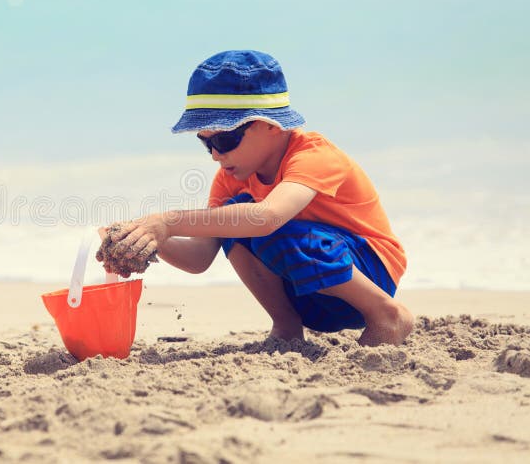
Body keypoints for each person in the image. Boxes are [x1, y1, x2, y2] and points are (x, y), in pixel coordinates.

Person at [99, 50, 414, 346]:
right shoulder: (230, 179)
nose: (215, 155)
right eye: (206, 144)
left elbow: (267, 217)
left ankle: (386, 313)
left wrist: (168, 222)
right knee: (230, 218)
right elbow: (199, 258)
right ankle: (286, 325)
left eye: (225, 140)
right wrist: (147, 236)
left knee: (253, 219)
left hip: (369, 274)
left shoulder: (314, 156)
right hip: (310, 299)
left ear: (270, 125)